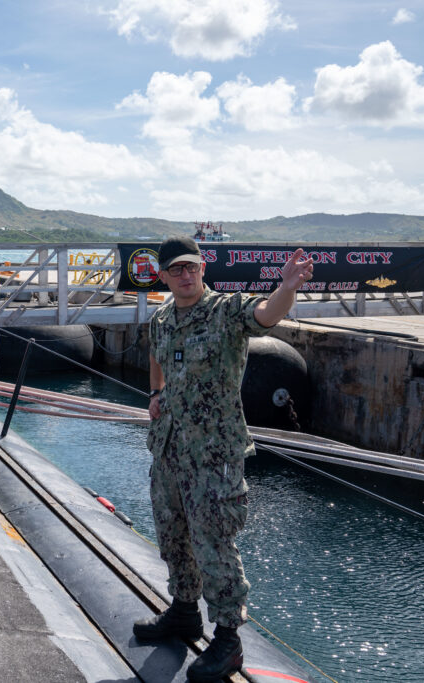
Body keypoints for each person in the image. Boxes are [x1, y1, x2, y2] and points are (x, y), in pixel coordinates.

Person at [132, 235, 314, 682]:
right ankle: (183, 610)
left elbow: (266, 314)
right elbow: (157, 357)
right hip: (171, 448)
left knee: (214, 542)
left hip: (215, 455)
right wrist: (156, 393)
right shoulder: (161, 319)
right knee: (173, 535)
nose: (186, 275)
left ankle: (229, 638)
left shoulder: (224, 312)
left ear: (203, 269)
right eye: (177, 269)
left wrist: (287, 286)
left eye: (192, 267)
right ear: (163, 275)